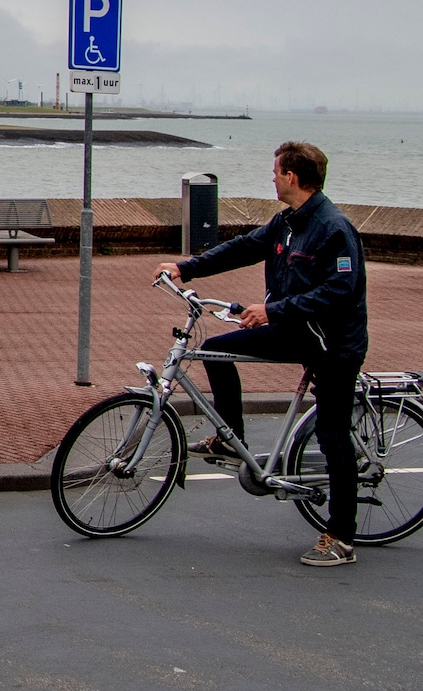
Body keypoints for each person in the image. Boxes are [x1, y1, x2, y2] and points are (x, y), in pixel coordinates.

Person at [157, 141, 367, 568]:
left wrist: (271, 310)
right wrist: (187, 266)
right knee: (215, 350)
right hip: (295, 331)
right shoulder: (287, 223)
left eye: (275, 172)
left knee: (332, 437)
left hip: (334, 345)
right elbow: (244, 247)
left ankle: (342, 537)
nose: (271, 177)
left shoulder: (333, 227)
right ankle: (231, 440)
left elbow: (340, 292)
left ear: (292, 177)